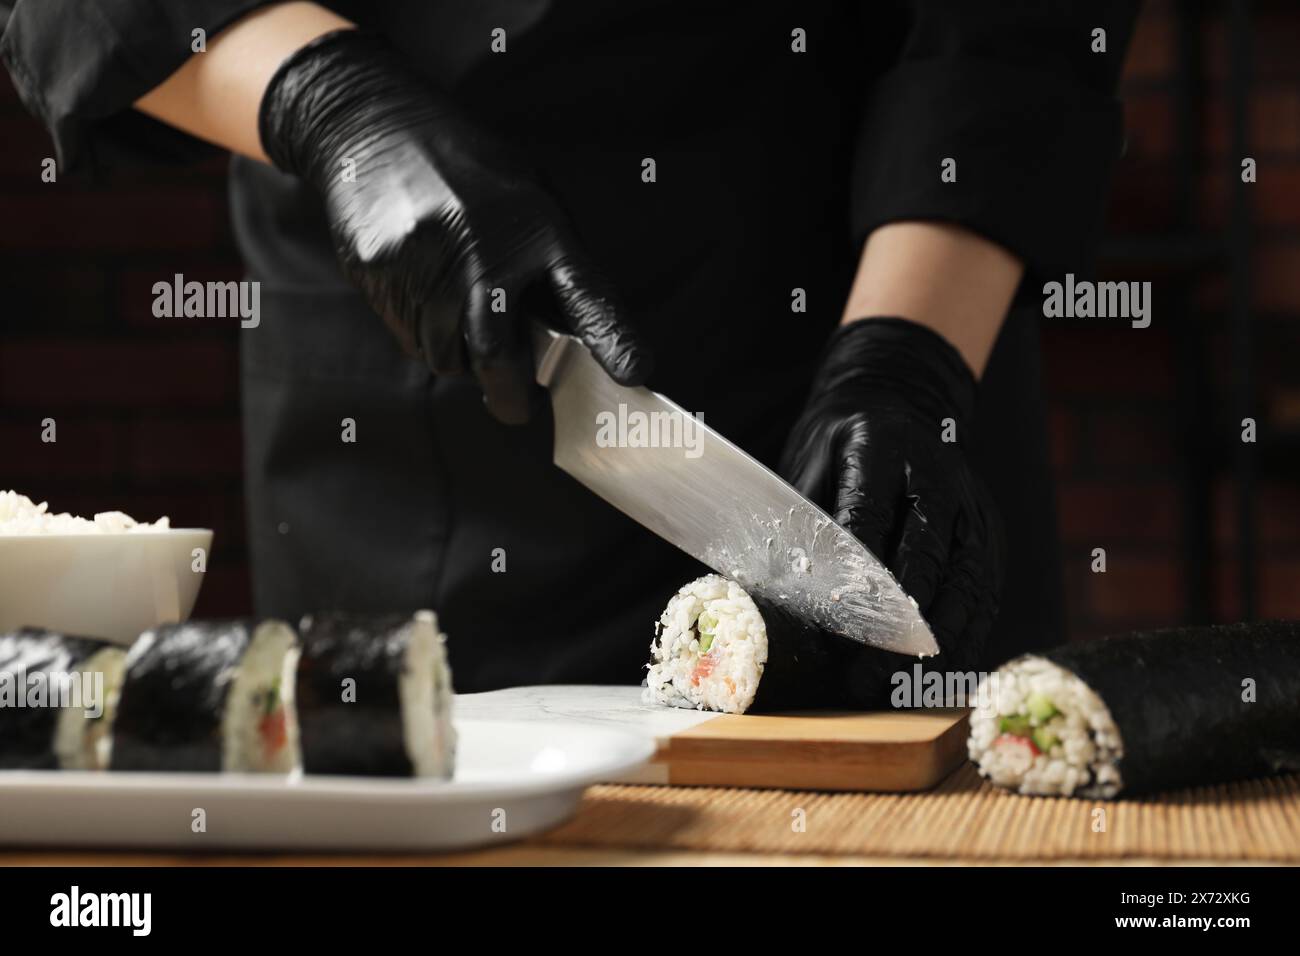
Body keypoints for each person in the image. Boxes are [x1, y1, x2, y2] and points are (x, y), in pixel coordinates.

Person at [1, 2, 1137, 692]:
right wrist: (327, 102)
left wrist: (904, 358)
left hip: (870, 314)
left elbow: (1013, 26)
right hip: (414, 397)